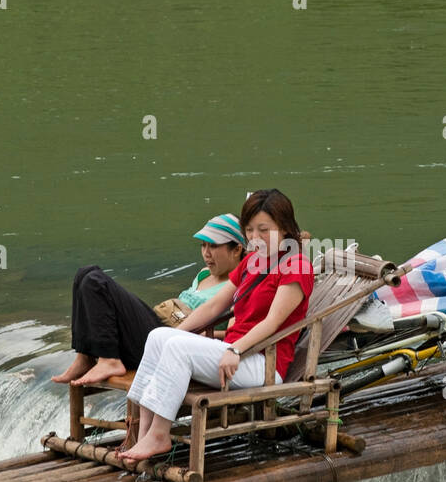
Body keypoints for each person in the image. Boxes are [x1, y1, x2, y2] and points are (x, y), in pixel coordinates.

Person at [118, 189, 315, 463]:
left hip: (262, 363)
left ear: (284, 229)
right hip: (232, 351)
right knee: (159, 336)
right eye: (249, 231)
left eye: (264, 230)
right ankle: (143, 435)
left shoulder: (297, 266)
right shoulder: (252, 261)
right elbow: (213, 306)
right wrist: (175, 333)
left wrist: (235, 350)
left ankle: (160, 435)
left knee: (176, 348)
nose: (255, 238)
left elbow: (273, 323)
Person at [50, 214, 245, 386]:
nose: (206, 253)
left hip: (171, 345)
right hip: (159, 327)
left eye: (213, 246)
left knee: (95, 282)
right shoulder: (204, 274)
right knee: (85, 273)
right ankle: (84, 356)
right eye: (203, 245)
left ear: (236, 250)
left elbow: (233, 334)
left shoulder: (239, 285)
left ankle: (110, 360)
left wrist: (205, 335)